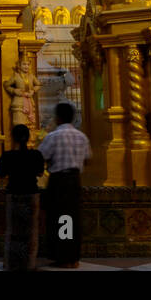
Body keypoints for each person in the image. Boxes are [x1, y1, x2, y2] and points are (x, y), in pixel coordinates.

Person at [38, 102, 91, 268]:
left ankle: (63, 257)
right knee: (71, 219)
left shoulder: (52, 137)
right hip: (74, 180)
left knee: (60, 218)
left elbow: (41, 157)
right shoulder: (81, 137)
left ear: (58, 118)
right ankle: (73, 256)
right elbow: (88, 158)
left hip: (59, 182)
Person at [0, 123, 45, 271]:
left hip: (14, 194)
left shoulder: (7, 155)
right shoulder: (36, 155)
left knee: (13, 231)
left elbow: (1, 174)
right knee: (31, 231)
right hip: (31, 193)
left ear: (12, 138)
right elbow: (40, 173)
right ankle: (29, 263)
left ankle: (11, 263)